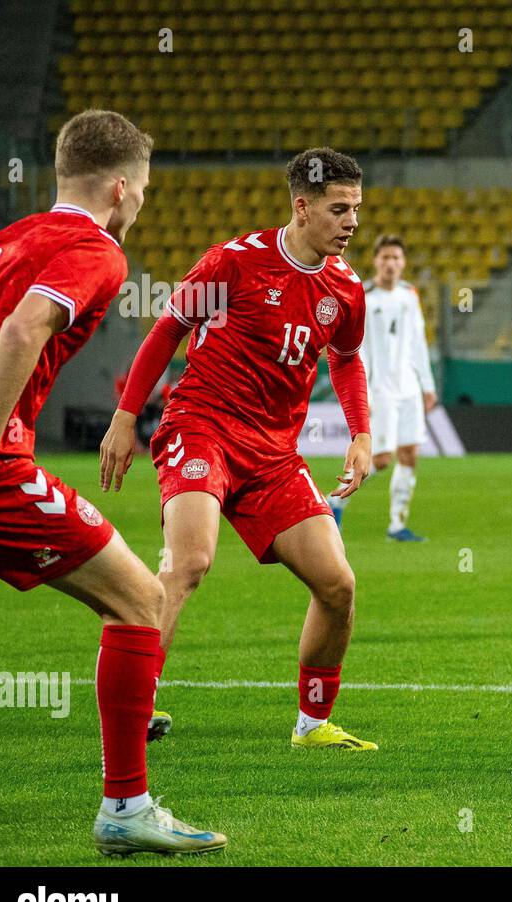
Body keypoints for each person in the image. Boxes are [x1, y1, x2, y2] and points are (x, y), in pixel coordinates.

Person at [0, 109, 224, 855]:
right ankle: (126, 807)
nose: (141, 204)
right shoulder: (96, 250)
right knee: (143, 600)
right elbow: (23, 330)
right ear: (119, 188)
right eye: (141, 190)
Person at [100, 147, 378, 752]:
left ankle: (312, 724)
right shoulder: (234, 263)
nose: (352, 221)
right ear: (302, 208)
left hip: (273, 453)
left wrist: (360, 431)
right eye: (339, 209)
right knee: (191, 560)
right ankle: (134, 707)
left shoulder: (346, 290)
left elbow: (348, 360)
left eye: (356, 208)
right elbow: (168, 328)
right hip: (202, 424)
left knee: (338, 584)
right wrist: (125, 419)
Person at [331, 234, 436, 540]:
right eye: (385, 257)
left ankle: (397, 525)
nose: (390, 263)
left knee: (410, 455)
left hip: (408, 388)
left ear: (403, 263)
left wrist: (426, 386)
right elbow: (355, 348)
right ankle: (336, 499)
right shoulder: (363, 295)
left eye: (396, 258)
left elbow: (418, 343)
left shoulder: (409, 295)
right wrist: (363, 392)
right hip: (380, 390)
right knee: (380, 459)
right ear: (376, 261)